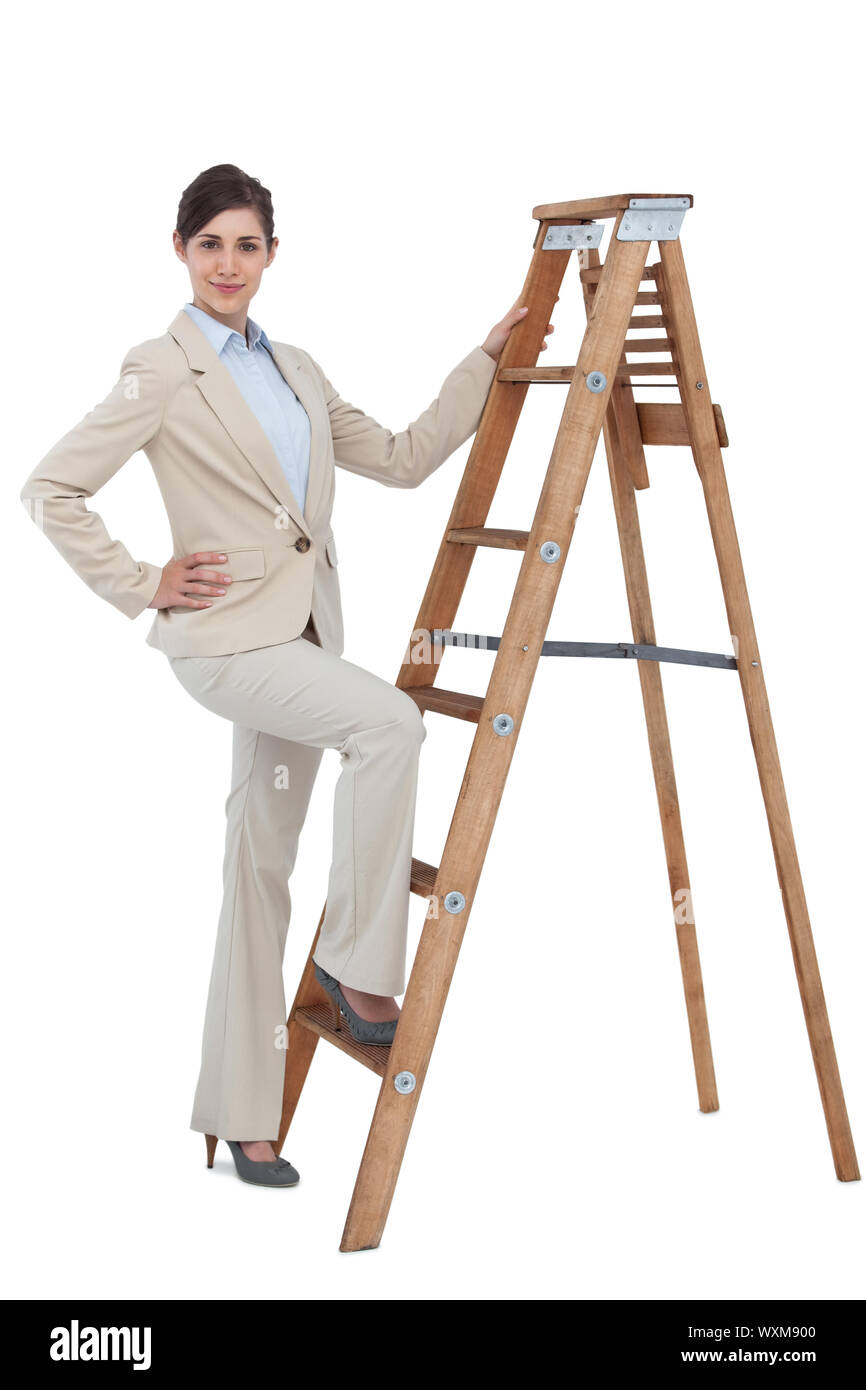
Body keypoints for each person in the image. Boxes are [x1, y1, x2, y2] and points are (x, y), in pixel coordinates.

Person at [19, 163, 553, 1188]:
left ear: (271, 255)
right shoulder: (161, 367)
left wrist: (483, 360)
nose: (229, 263)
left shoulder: (298, 368)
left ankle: (241, 1119)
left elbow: (401, 457)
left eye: (247, 245)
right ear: (180, 250)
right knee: (390, 726)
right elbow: (50, 488)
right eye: (210, 243)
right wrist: (144, 581)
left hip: (302, 637)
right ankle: (358, 968)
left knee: (255, 868)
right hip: (225, 644)